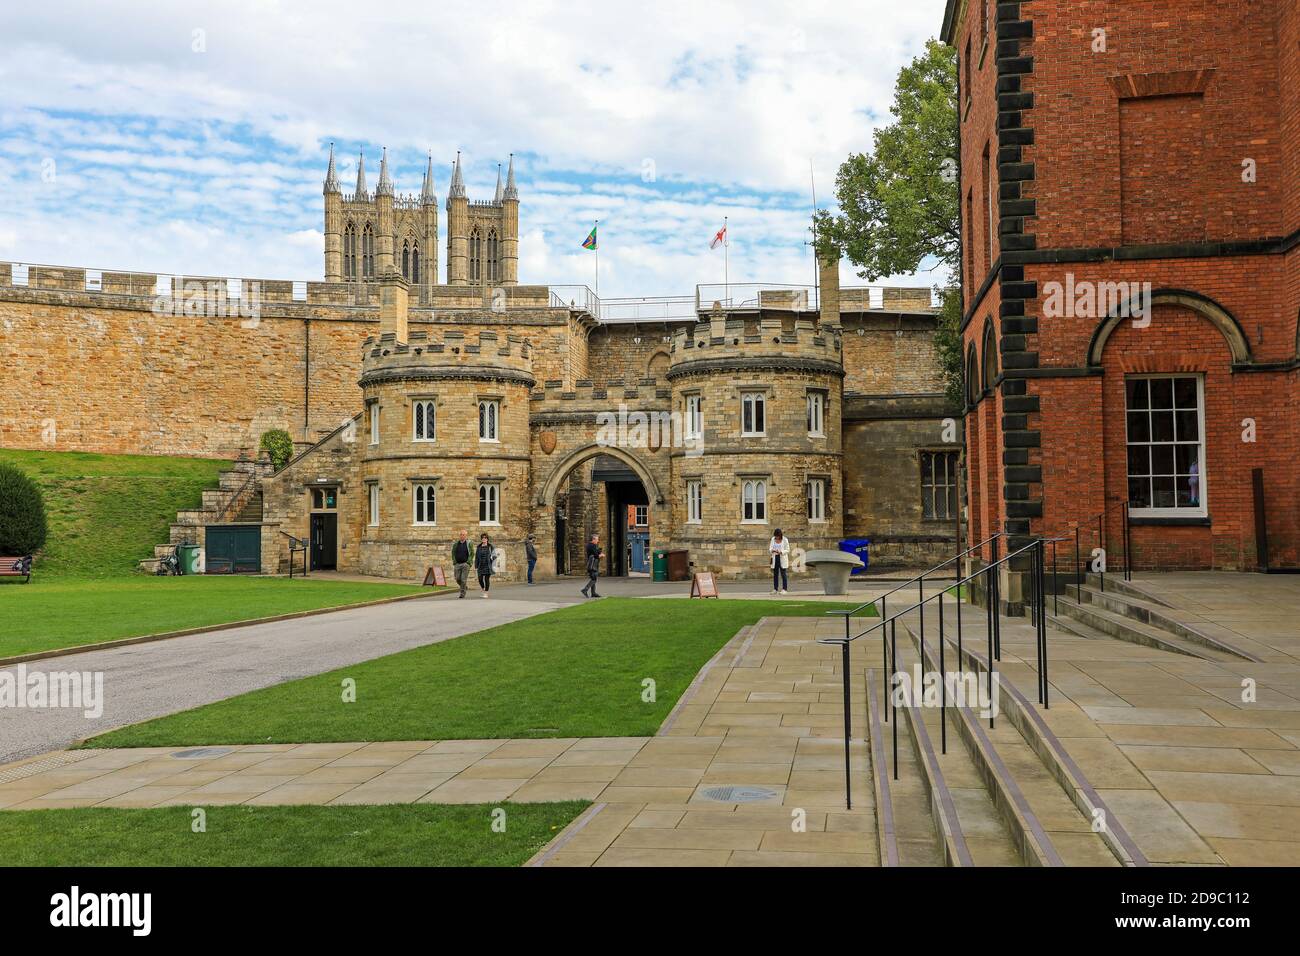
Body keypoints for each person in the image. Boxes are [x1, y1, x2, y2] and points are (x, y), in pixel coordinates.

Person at [580, 533, 603, 598]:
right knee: (594, 579)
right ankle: (585, 590)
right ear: (593, 539)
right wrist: (600, 555)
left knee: (593, 578)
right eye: (597, 539)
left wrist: (599, 551)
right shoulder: (592, 545)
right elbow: (595, 555)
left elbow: (595, 553)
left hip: (592, 564)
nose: (598, 541)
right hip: (592, 565)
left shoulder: (592, 545)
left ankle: (593, 593)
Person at [451, 530, 472, 598]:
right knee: (457, 579)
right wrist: (454, 561)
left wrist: (468, 562)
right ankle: (464, 587)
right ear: (459, 536)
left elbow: (472, 553)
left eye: (464, 535)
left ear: (466, 536)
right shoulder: (456, 544)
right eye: (461, 534)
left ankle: (462, 593)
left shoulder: (469, 544)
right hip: (457, 564)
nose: (462, 536)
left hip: (465, 564)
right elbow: (453, 553)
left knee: (463, 579)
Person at [769, 528, 791, 594]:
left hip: (782, 558)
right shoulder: (773, 539)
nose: (776, 537)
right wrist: (772, 550)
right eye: (775, 536)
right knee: (775, 574)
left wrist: (781, 552)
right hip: (775, 558)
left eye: (777, 536)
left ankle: (784, 589)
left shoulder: (785, 540)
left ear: (780, 535)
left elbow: (788, 550)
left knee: (783, 574)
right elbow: (770, 548)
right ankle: (775, 589)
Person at [474, 532, 495, 598]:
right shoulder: (479, 547)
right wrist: (476, 566)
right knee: (480, 579)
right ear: (481, 539)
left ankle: (486, 593)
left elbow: (495, 555)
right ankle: (483, 590)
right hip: (480, 565)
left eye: (485, 538)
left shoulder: (490, 547)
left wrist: (492, 558)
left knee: (486, 579)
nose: (484, 539)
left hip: (488, 565)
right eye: (483, 538)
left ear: (487, 539)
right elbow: (476, 557)